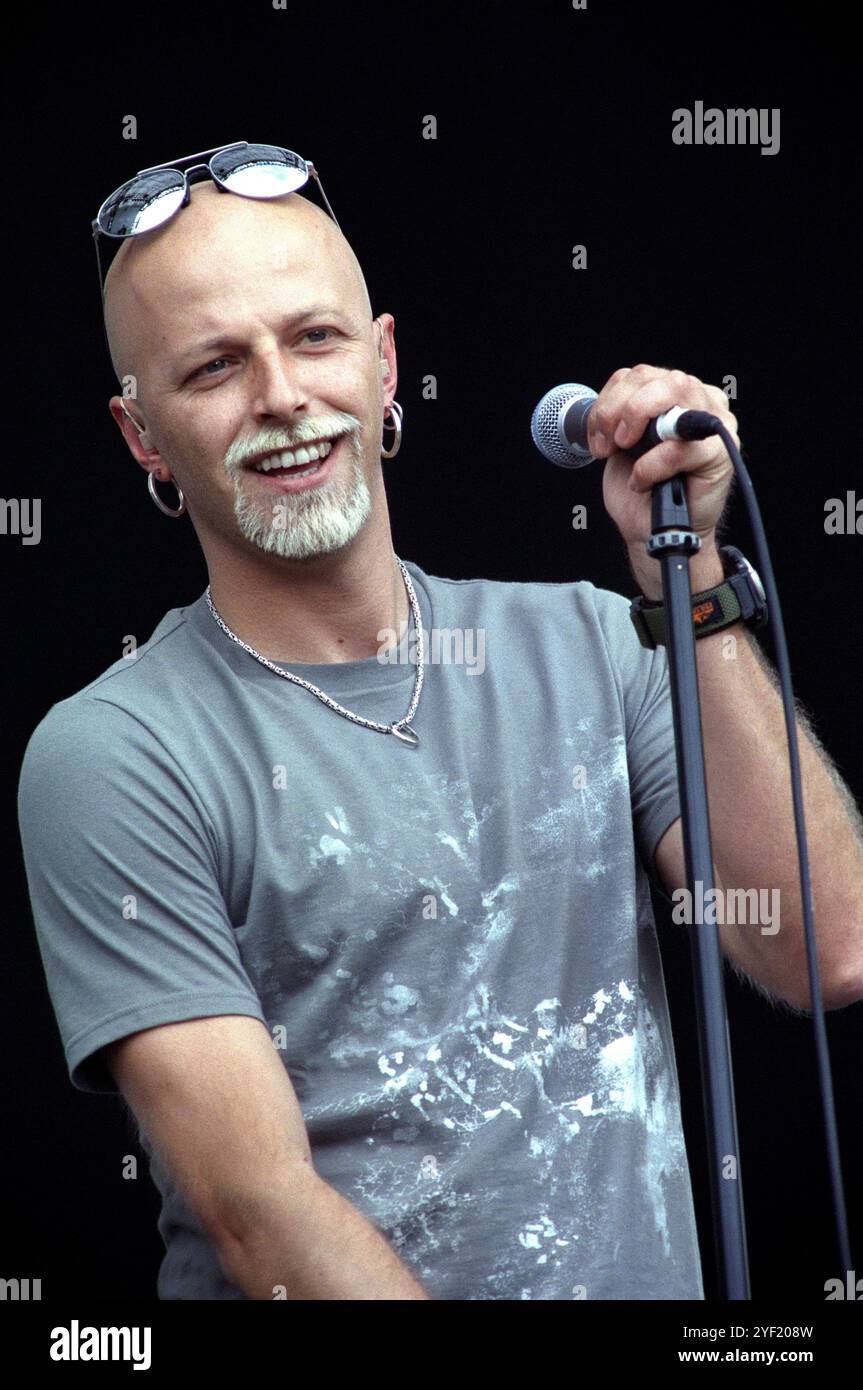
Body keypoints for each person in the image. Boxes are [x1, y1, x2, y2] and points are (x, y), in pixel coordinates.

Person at [17, 143, 863, 1302]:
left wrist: (691, 578)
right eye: (213, 366)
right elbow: (259, 1212)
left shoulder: (598, 639)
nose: (280, 395)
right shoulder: (115, 754)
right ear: (142, 437)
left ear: (383, 365)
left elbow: (826, 944)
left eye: (314, 338)